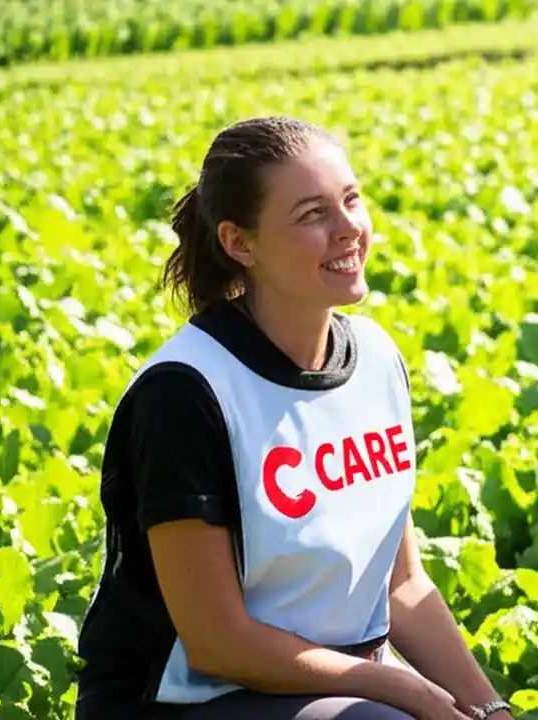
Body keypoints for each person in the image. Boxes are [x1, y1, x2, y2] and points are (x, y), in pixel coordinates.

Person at [74, 116, 513, 720]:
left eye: (351, 200)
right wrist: (400, 689)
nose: (348, 230)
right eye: (312, 214)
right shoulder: (185, 392)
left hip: (338, 694)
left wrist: (491, 709)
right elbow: (218, 643)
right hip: (192, 700)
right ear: (239, 243)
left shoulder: (378, 359)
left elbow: (402, 587)